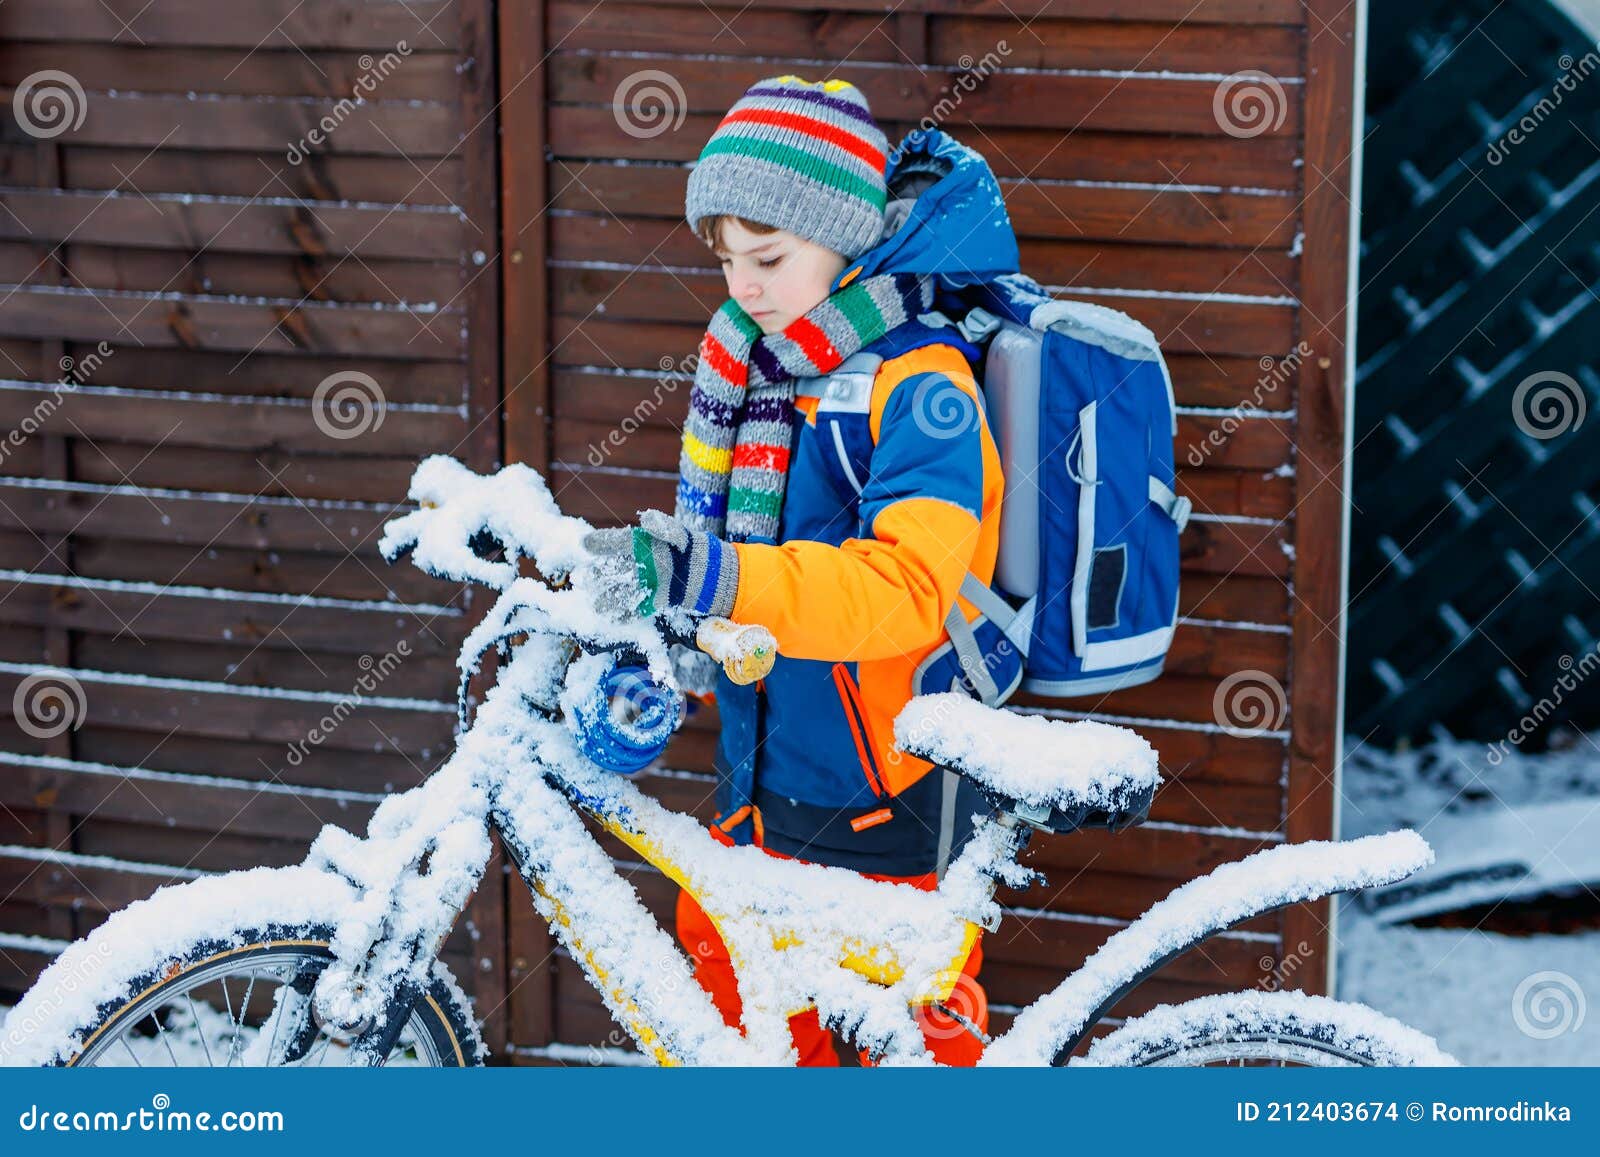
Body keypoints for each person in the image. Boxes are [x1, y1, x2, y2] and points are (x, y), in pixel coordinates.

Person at [584, 75, 1020, 1065]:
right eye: (729, 257)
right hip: (759, 779)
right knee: (744, 1011)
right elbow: (715, 567)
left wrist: (713, 579)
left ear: (845, 237)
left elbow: (905, 590)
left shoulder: (923, 383)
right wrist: (658, 657)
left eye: (769, 256)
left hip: (885, 792)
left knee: (907, 1037)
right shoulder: (754, 373)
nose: (742, 285)